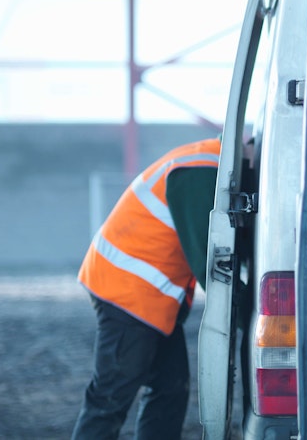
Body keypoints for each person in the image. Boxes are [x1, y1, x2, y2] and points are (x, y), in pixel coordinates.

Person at [72, 137, 220, 440]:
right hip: (127, 294)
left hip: (146, 299)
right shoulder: (203, 169)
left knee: (170, 388)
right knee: (111, 396)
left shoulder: (204, 159)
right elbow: (205, 256)